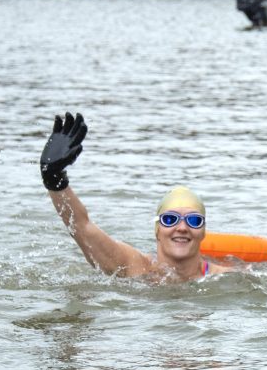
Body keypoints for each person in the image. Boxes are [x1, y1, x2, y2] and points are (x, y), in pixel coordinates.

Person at [39, 112, 233, 282]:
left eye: (193, 220)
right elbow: (83, 226)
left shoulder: (225, 278)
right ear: (157, 230)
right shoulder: (133, 267)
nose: (182, 228)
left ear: (204, 231)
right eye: (170, 219)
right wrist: (54, 179)